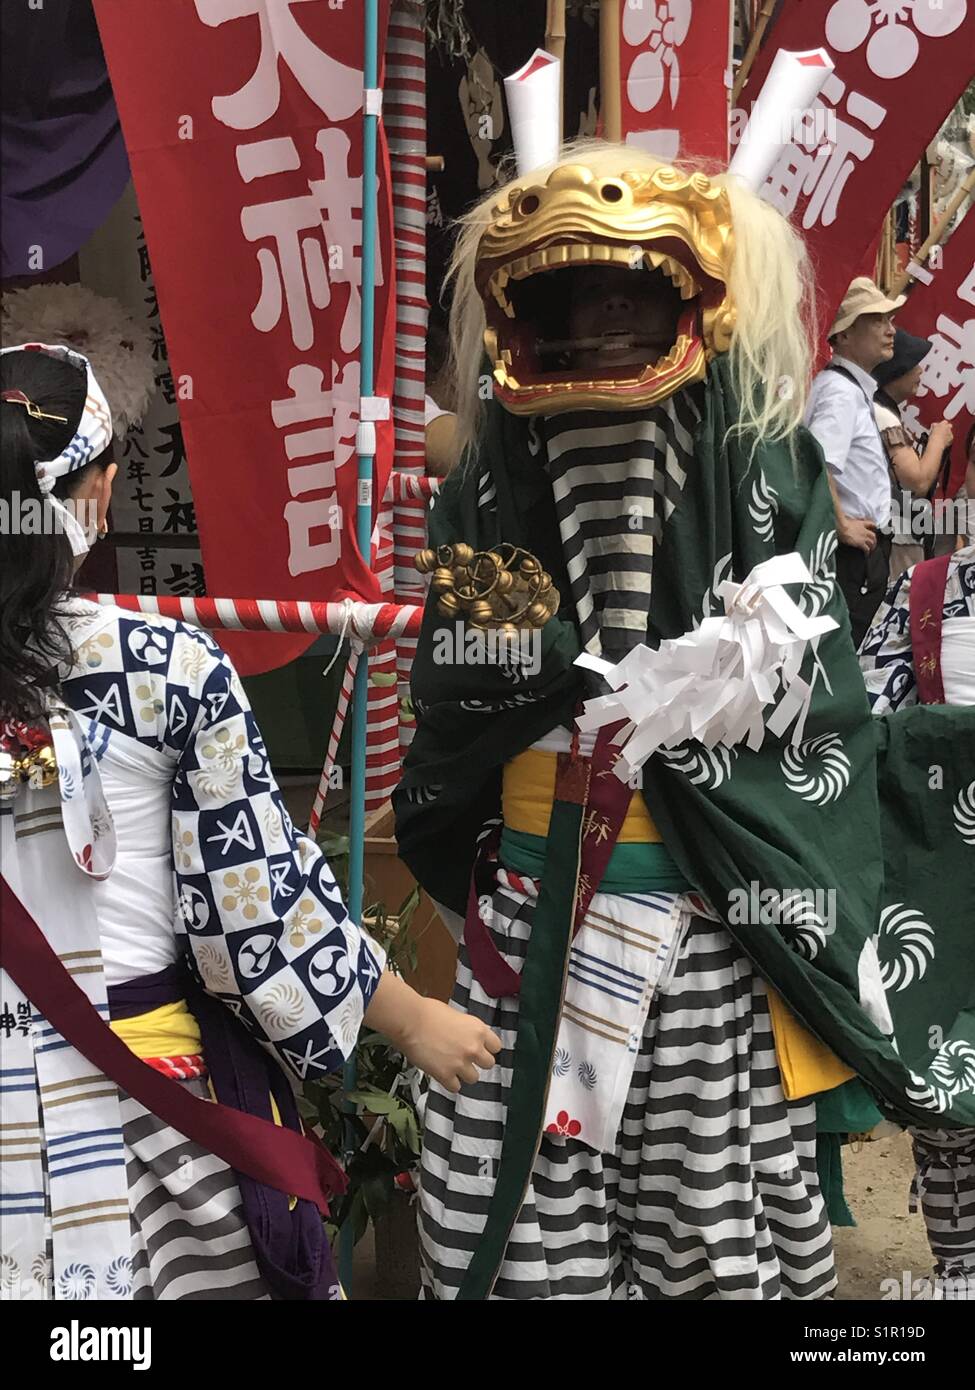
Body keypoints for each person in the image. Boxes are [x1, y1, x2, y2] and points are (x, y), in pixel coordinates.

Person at [394, 141, 975, 1302]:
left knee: (708, 1244)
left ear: (692, 302)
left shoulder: (764, 456)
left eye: (629, 296)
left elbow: (816, 701)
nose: (604, 322)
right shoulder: (491, 466)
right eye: (576, 298)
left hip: (711, 927)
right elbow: (453, 688)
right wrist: (558, 667)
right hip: (536, 915)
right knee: (522, 1241)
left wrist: (738, 659)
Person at [0, 343, 499, 1302]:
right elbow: (251, 917)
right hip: (141, 1126)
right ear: (100, 494)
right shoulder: (164, 666)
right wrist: (411, 1016)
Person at [860, 543, 975, 1299]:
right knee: (949, 1104)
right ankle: (959, 1271)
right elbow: (855, 728)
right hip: (943, 903)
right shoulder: (923, 590)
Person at [804, 277, 905, 646]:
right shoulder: (840, 392)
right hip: (848, 550)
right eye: (876, 320)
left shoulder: (849, 389)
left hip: (858, 545)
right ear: (844, 334)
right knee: (847, 645)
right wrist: (842, 524)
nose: (889, 329)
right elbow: (819, 461)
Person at [871, 328, 953, 579]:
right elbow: (917, 481)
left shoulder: (881, 410)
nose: (920, 371)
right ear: (895, 372)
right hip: (895, 537)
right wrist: (937, 441)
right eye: (914, 364)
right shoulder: (881, 413)